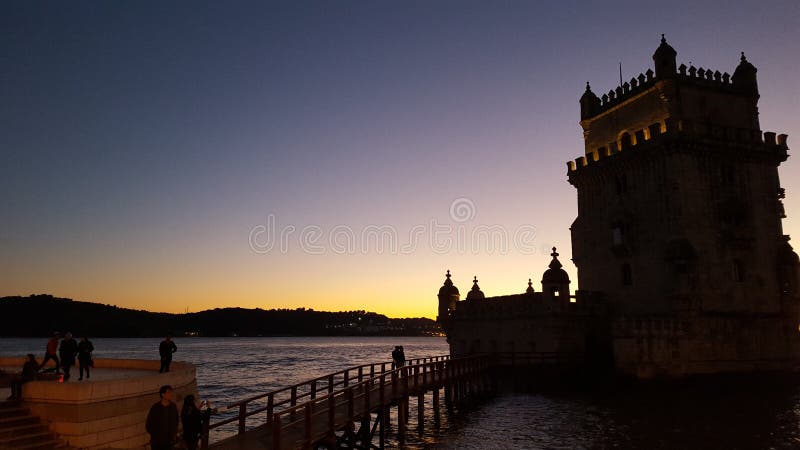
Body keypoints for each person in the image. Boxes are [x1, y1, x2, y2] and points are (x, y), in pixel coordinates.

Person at [146, 385, 179, 450]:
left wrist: (174, 434)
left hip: (169, 441)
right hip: (157, 442)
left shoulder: (173, 406)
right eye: (168, 392)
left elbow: (176, 421)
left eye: (171, 392)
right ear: (163, 394)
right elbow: (149, 424)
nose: (171, 394)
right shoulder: (155, 408)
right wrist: (155, 435)